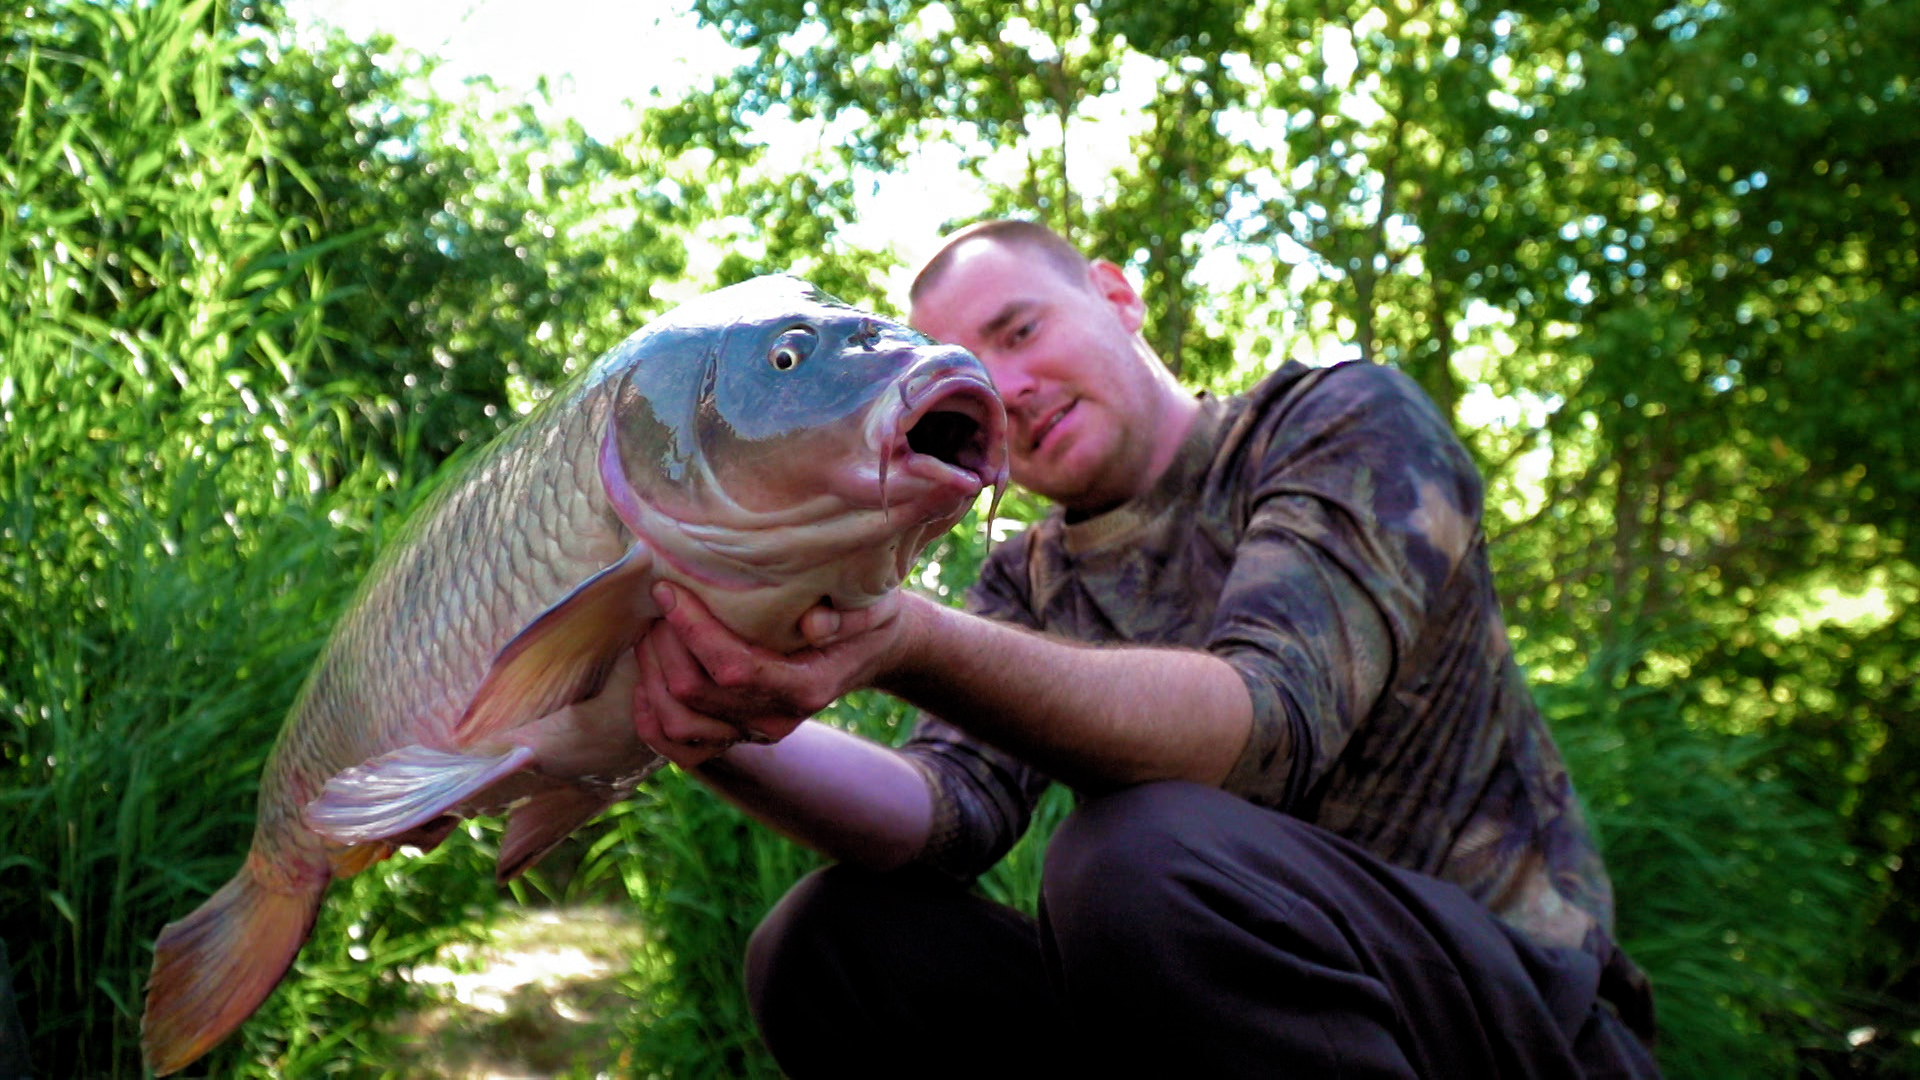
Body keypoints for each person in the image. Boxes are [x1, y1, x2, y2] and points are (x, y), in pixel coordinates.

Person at [627, 219, 1660, 1078]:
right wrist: (723, 715)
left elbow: (1267, 724)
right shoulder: (1026, 579)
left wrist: (910, 636)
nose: (1011, 386)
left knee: (1133, 857)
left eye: (1022, 329)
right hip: (1234, 1034)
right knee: (829, 946)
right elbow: (944, 816)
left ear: (1116, 298)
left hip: (1526, 1022)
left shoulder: (1339, 423)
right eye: (971, 376)